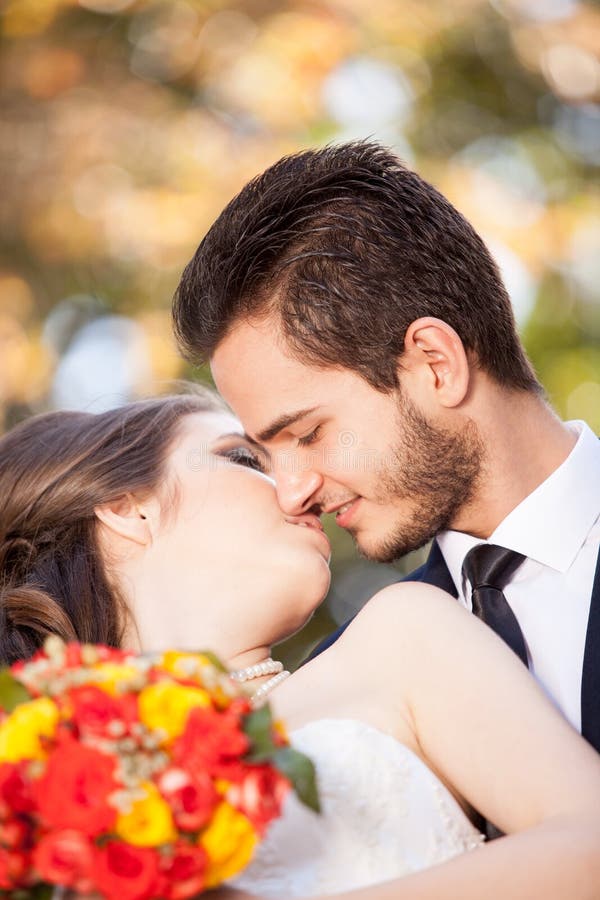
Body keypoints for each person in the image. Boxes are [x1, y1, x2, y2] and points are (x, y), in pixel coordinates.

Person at [0, 389, 599, 900]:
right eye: (243, 458)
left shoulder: (398, 638)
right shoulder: (38, 801)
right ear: (128, 508)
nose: (299, 492)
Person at [172, 140, 600, 763]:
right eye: (266, 454)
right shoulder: (342, 682)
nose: (292, 494)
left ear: (435, 363)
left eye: (309, 434)